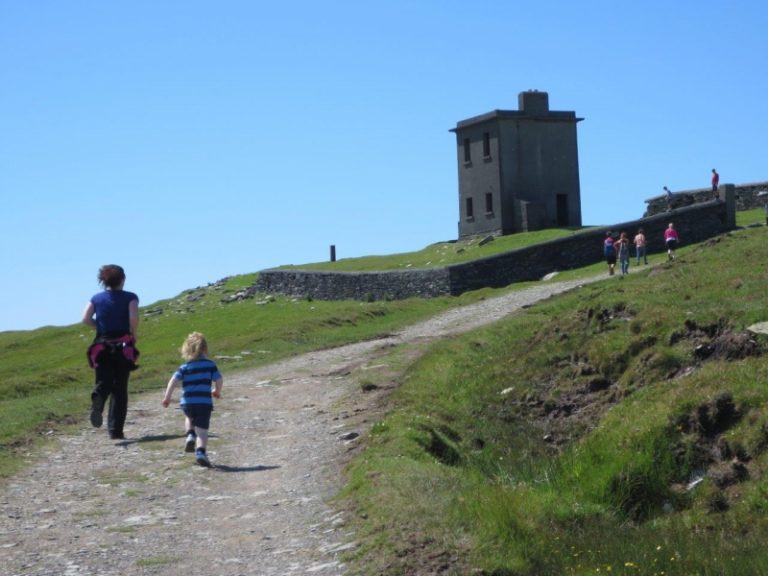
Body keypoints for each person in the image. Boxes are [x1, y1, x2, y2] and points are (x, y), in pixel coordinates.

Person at [82, 264, 139, 440]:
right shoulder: (131, 297)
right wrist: (133, 334)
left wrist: (98, 326)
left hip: (101, 344)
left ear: (104, 280)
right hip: (123, 344)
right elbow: (133, 317)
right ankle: (115, 430)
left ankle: (98, 400)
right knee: (120, 388)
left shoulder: (96, 298)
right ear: (123, 279)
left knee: (103, 380)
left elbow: (84, 319)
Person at [162, 332, 223, 468]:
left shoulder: (184, 367)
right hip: (204, 402)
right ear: (205, 348)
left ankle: (190, 435)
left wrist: (167, 397)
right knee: (202, 430)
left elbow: (173, 381)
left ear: (187, 349)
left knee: (189, 417)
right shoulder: (210, 365)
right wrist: (217, 391)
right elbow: (219, 379)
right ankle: (201, 452)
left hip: (188, 402)